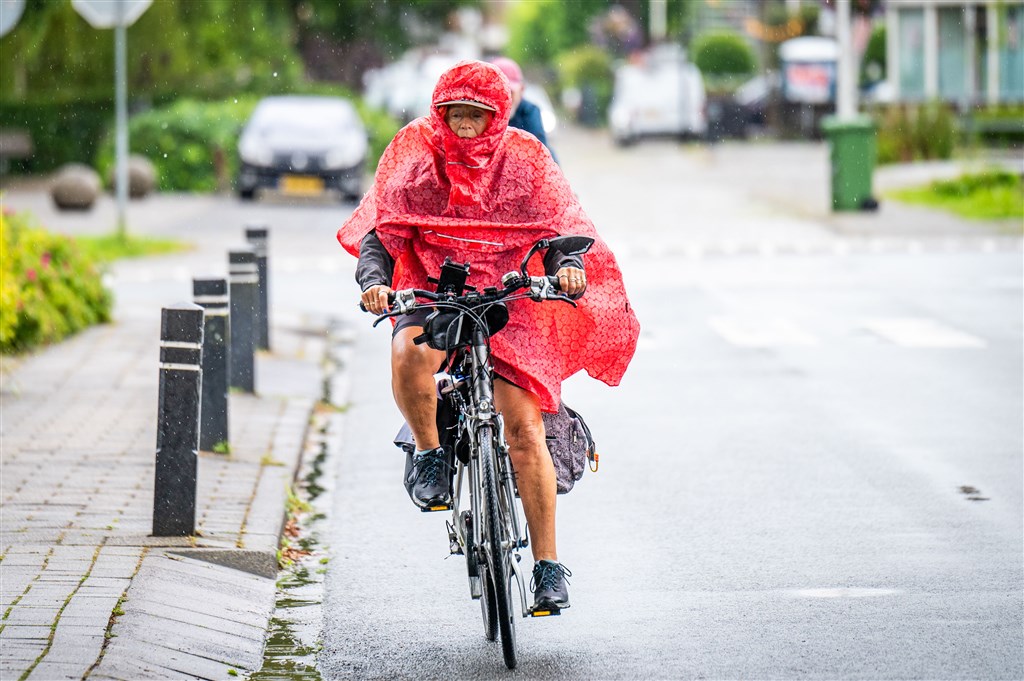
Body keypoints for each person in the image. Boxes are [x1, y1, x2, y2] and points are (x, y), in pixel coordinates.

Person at [337, 60, 638, 612]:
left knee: (525, 429)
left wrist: (567, 264)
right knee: (407, 351)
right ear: (440, 111)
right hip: (436, 293)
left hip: (511, 300)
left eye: (478, 115)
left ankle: (548, 569)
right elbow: (382, 232)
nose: (467, 126)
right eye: (457, 113)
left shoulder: (526, 157)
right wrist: (376, 282)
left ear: (498, 116)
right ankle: (430, 455)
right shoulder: (415, 152)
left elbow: (560, 227)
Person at [490, 56, 557, 161]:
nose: (506, 99)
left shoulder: (530, 111)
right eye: (499, 92)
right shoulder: (482, 112)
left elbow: (537, 155)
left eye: (510, 92)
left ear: (521, 90)